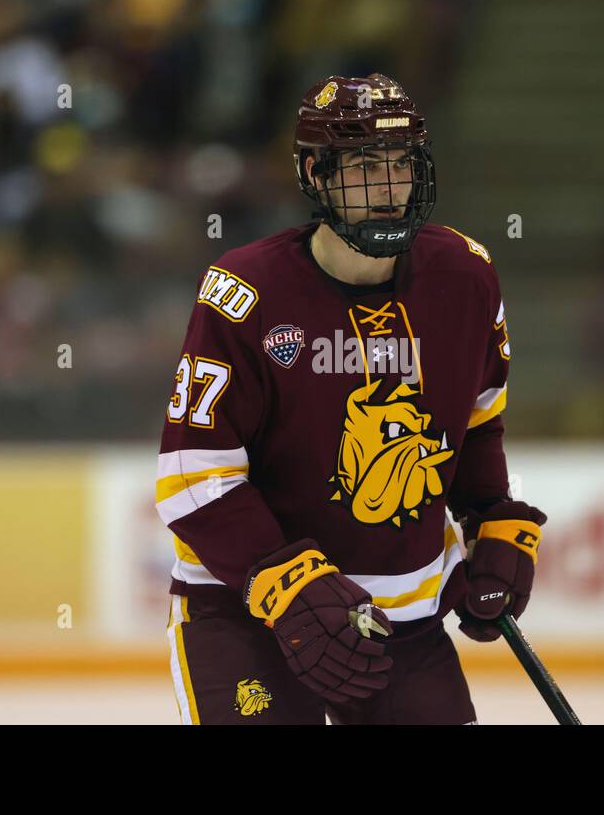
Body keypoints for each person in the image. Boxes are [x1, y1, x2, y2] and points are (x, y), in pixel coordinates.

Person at [155, 73, 547, 724]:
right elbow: (192, 476)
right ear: (315, 173)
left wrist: (491, 515)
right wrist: (281, 580)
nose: (389, 189)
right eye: (366, 165)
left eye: (401, 164)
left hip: (403, 618)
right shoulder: (244, 292)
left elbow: (477, 419)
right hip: (252, 614)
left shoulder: (466, 276)